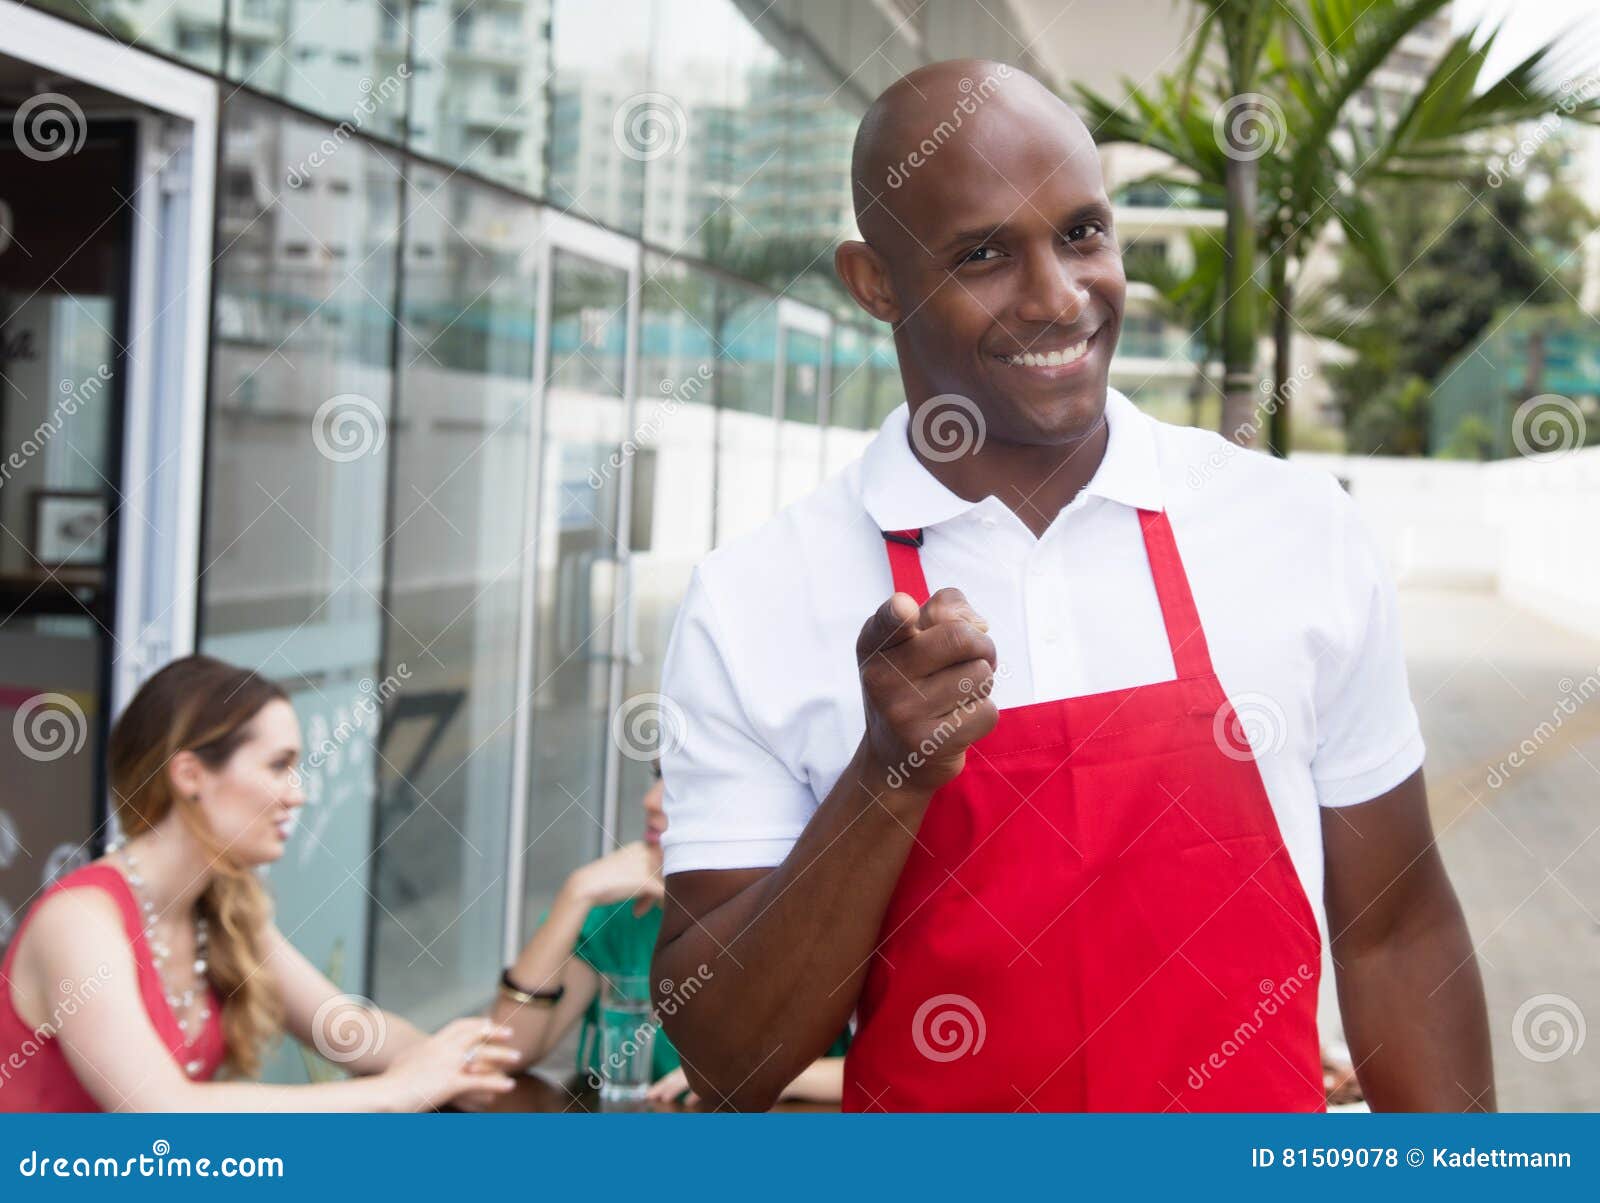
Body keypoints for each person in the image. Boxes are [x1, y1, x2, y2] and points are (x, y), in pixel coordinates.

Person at [650, 59, 1494, 1112]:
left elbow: (1397, 933)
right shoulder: (756, 597)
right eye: (984, 254)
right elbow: (728, 1061)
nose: (1058, 298)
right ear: (874, 283)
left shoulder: (1294, 530)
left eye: (1083, 234)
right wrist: (887, 775)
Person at [0, 655, 519, 1112]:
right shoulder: (82, 921)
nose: (297, 796)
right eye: (279, 766)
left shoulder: (220, 908)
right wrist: (396, 1091)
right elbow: (164, 1113)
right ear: (190, 775)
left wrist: (448, 1062)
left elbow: (350, 1034)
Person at [470, 763, 846, 1108]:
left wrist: (767, 1078)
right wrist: (576, 894)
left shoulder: (824, 912)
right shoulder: (622, 912)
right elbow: (504, 1055)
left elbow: (896, 1071)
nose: (650, 800)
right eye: (657, 777)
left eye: (686, 781)